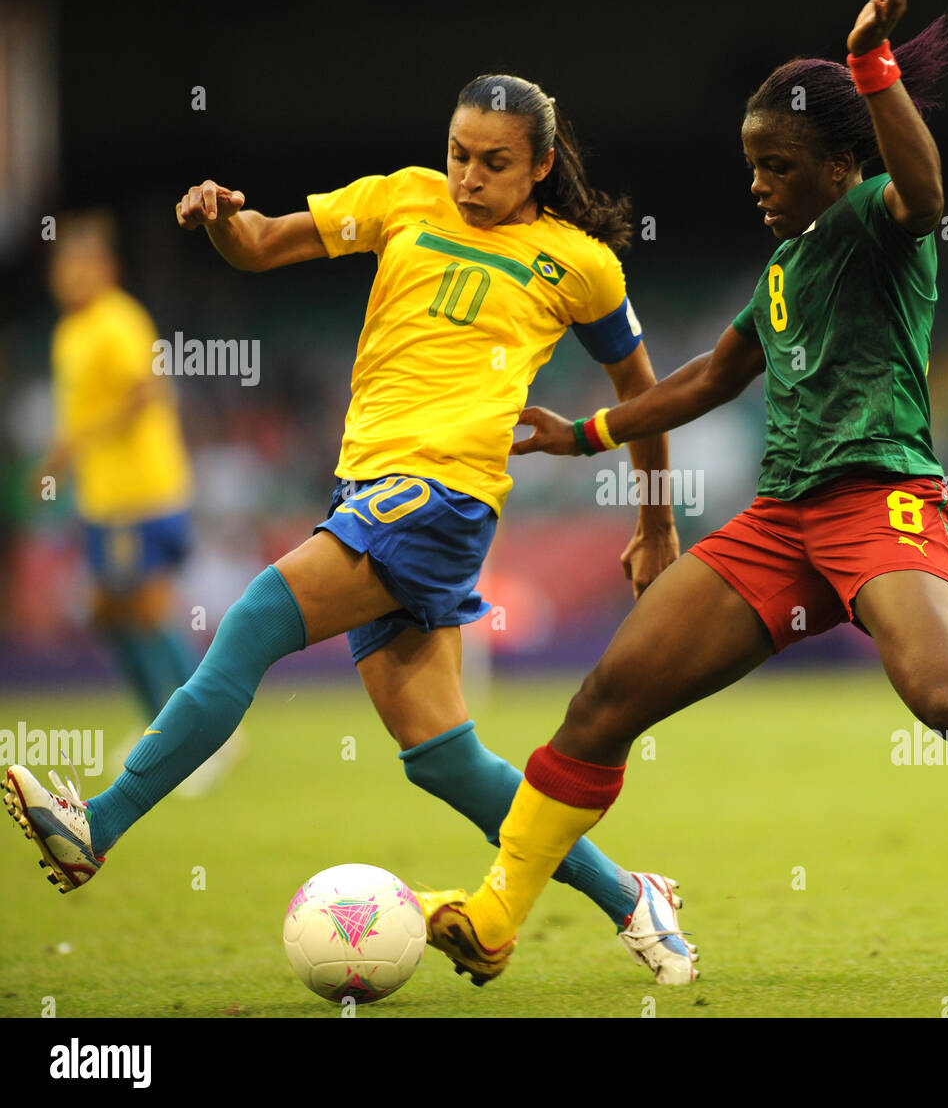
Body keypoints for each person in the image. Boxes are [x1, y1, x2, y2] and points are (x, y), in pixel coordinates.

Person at [416, 0, 948, 986]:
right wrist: (582, 431)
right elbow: (711, 377)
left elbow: (926, 190)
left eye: (775, 166)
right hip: (778, 522)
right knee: (605, 700)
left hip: (877, 502)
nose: (756, 185)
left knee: (947, 697)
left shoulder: (876, 225)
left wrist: (872, 65)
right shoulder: (783, 266)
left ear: (839, 165)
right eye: (750, 166)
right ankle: (497, 915)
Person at [5, 74, 699, 985]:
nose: (469, 176)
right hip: (368, 489)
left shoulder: (579, 264)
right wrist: (220, 218)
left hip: (444, 496)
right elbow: (258, 245)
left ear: (537, 168)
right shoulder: (401, 198)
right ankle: (632, 898)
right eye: (459, 153)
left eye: (495, 163)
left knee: (253, 619)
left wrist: (656, 520)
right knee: (443, 759)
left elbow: (642, 395)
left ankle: (97, 824)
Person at [41, 212, 199, 722]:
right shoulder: (70, 332)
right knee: (109, 614)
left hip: (141, 493)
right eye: (61, 266)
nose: (66, 277)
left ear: (104, 268)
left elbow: (144, 392)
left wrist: (76, 444)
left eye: (76, 265)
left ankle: (204, 728)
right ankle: (156, 723)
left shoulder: (118, 319)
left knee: (147, 611)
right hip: (102, 499)